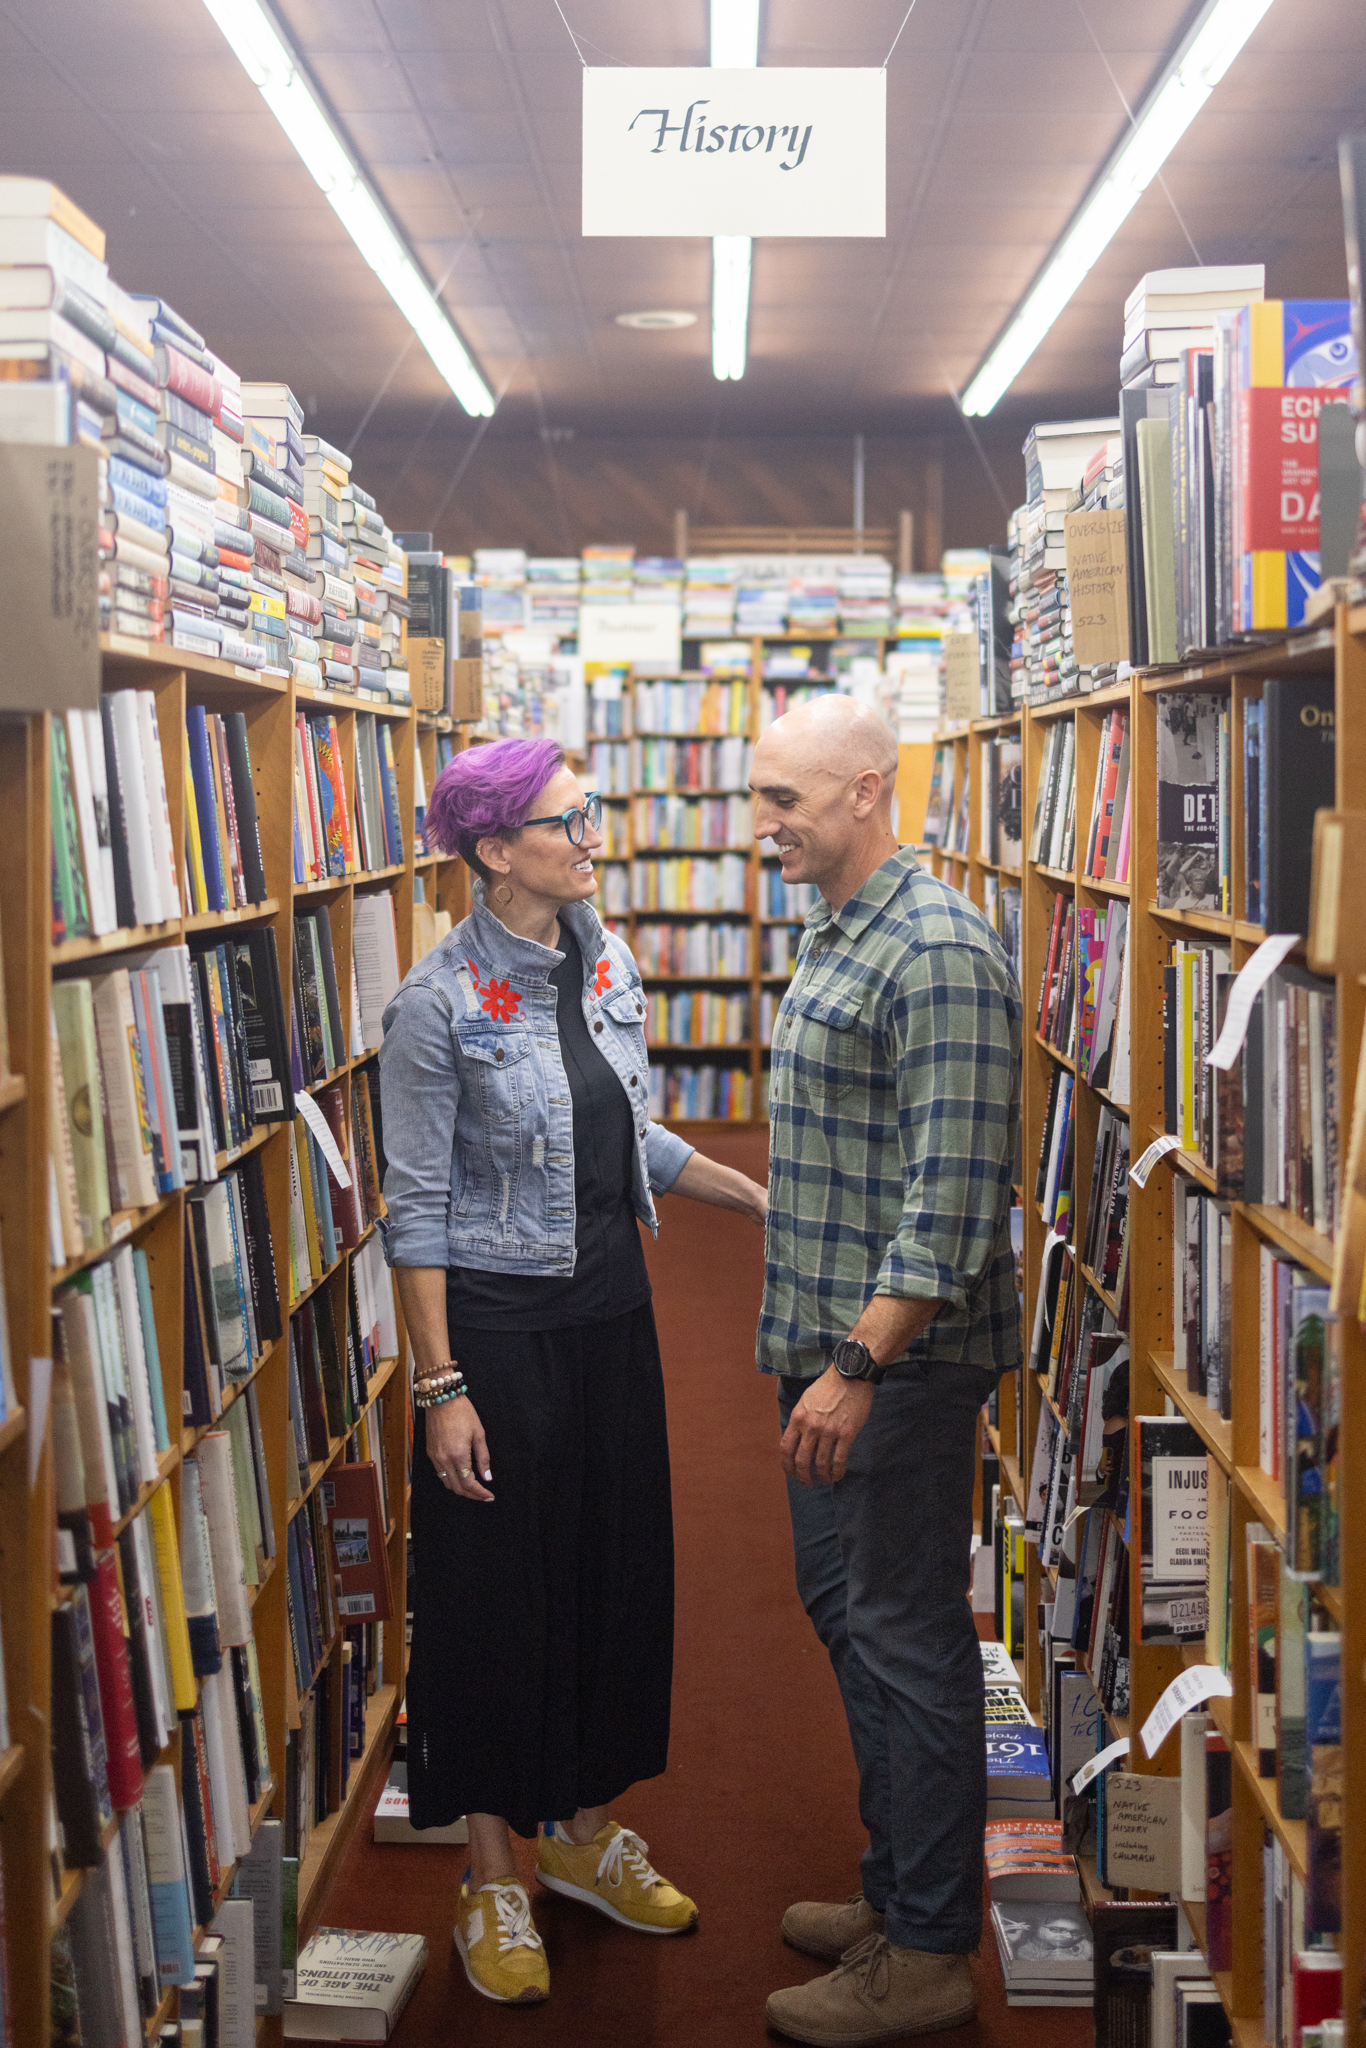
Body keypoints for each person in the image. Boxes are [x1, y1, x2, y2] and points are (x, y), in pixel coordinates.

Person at [377, 737, 767, 2008]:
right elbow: (418, 1208)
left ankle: (581, 1833)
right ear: (496, 851)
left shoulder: (602, 954)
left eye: (586, 812)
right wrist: (441, 1386)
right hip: (495, 1331)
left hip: (610, 1315)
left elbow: (626, 1130)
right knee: (498, 1594)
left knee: (610, 1570)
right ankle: (491, 1866)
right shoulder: (435, 1003)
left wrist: (753, 1196)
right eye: (567, 818)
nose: (591, 832)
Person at [749, 696, 1023, 2047]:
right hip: (823, 1354)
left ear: (865, 791)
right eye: (756, 797)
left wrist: (856, 1361)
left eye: (783, 801)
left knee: (905, 1636)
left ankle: (924, 1954)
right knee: (849, 1617)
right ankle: (897, 1886)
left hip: (891, 1375)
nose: (761, 826)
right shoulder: (841, 930)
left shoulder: (937, 951)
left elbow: (951, 1201)